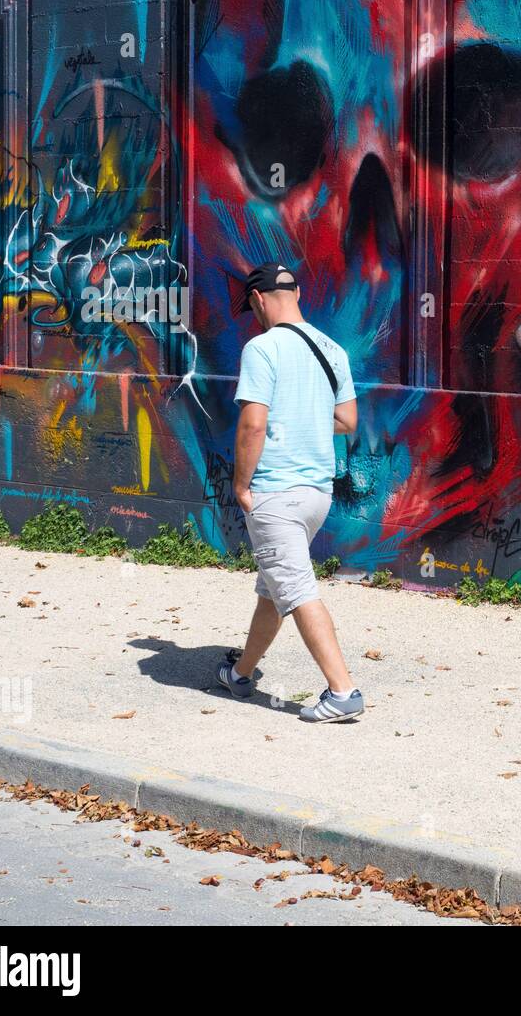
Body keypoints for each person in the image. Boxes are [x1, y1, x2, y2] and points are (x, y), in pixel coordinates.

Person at [216, 261, 364, 722]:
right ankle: (240, 673)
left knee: (296, 588)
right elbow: (347, 421)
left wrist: (241, 484)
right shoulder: (332, 349)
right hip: (317, 493)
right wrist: (304, 417)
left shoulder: (261, 349)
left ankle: (343, 692)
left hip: (276, 493)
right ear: (296, 291)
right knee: (273, 588)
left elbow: (253, 423)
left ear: (258, 300)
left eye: (252, 307)